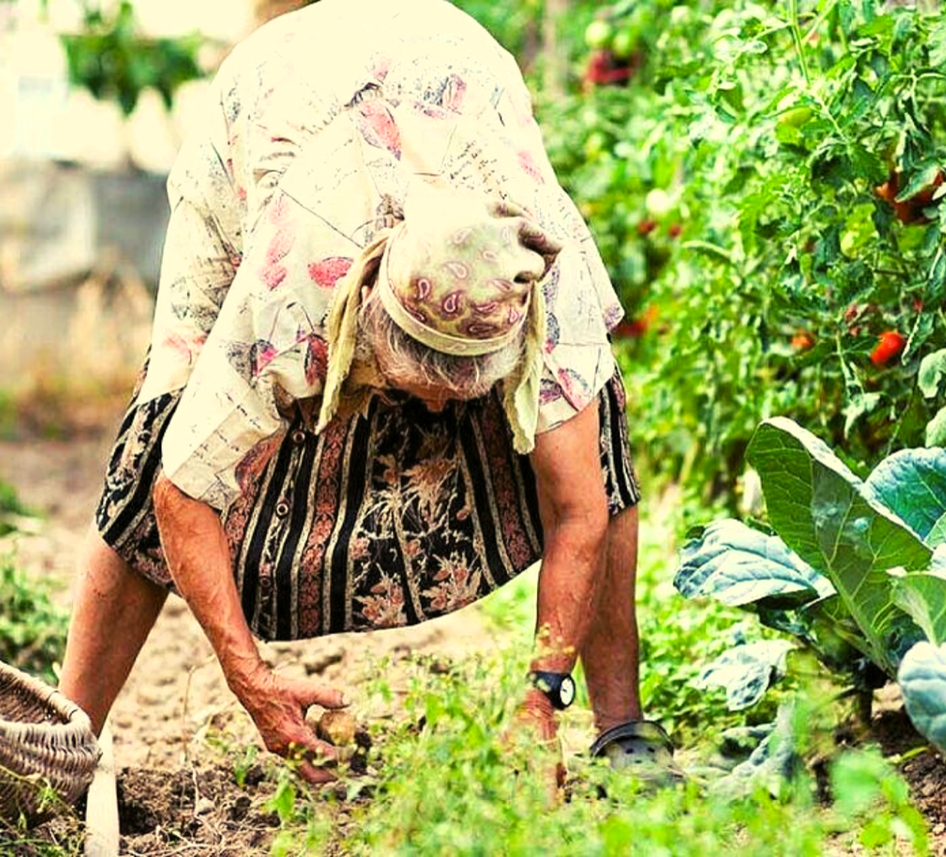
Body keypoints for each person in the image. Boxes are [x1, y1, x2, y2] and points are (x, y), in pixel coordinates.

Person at [58, 0, 673, 785]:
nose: (442, 413)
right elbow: (182, 488)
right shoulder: (293, 278)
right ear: (365, 314)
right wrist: (251, 680)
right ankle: (69, 734)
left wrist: (540, 699)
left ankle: (621, 726)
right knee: (162, 425)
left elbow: (579, 508)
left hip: (456, 75)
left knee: (597, 444)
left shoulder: (551, 285)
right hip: (272, 106)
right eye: (421, 385)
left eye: (463, 393)